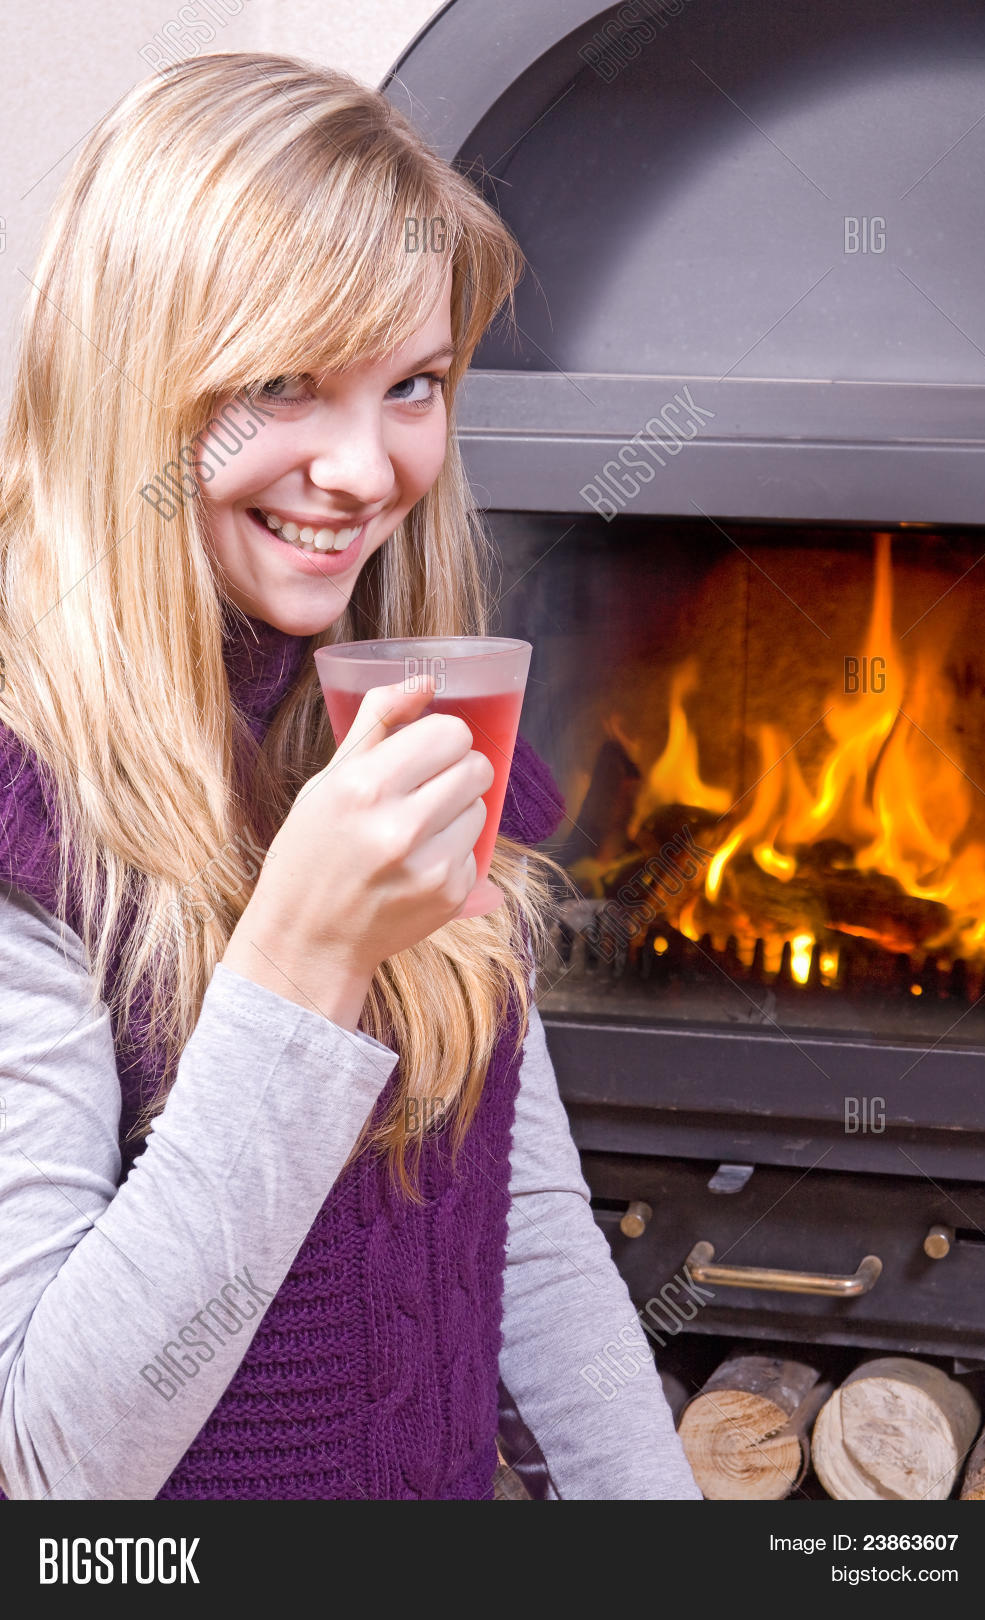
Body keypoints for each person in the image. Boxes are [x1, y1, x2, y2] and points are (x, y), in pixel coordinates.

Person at [0, 50, 700, 1502]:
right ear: (134, 385)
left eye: (413, 386)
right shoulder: (29, 800)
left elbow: (531, 1239)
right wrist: (299, 963)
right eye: (282, 386)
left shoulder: (399, 715)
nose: (368, 472)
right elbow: (53, 1469)